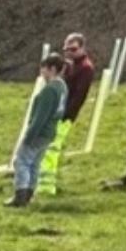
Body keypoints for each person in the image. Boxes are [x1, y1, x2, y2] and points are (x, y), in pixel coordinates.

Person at [38, 33, 97, 197]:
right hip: (56, 112)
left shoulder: (86, 68)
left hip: (64, 116)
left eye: (73, 49)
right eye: (66, 49)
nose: (69, 52)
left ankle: (46, 186)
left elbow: (78, 97)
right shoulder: (69, 66)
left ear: (82, 48)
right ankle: (41, 181)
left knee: (52, 148)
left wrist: (64, 116)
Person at [9, 55, 69, 207]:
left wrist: (29, 136)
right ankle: (29, 193)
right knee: (35, 163)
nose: (42, 72)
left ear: (53, 69)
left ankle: (20, 195)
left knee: (21, 161)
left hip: (40, 132)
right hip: (50, 132)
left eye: (44, 68)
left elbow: (40, 117)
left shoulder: (49, 90)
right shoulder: (62, 87)